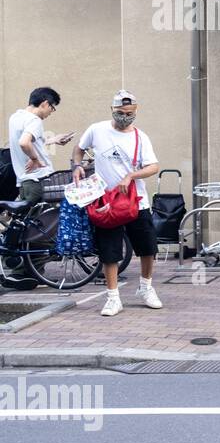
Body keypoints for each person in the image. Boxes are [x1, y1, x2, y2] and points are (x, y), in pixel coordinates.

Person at [72, 90, 162, 317]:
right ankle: (113, 298)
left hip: (135, 202)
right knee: (109, 250)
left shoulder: (141, 137)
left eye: (129, 113)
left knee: (148, 248)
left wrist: (131, 176)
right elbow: (79, 148)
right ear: (112, 110)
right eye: (121, 112)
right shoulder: (97, 130)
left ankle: (146, 287)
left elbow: (153, 166)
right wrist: (77, 165)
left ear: (136, 111)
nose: (125, 116)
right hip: (106, 202)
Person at [8, 87, 74, 207]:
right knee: (47, 221)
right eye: (52, 108)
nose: (51, 112)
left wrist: (54, 140)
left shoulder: (15, 118)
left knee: (26, 222)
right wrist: (35, 160)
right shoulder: (35, 120)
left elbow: (29, 142)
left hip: (25, 182)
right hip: (38, 180)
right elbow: (24, 142)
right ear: (45, 103)